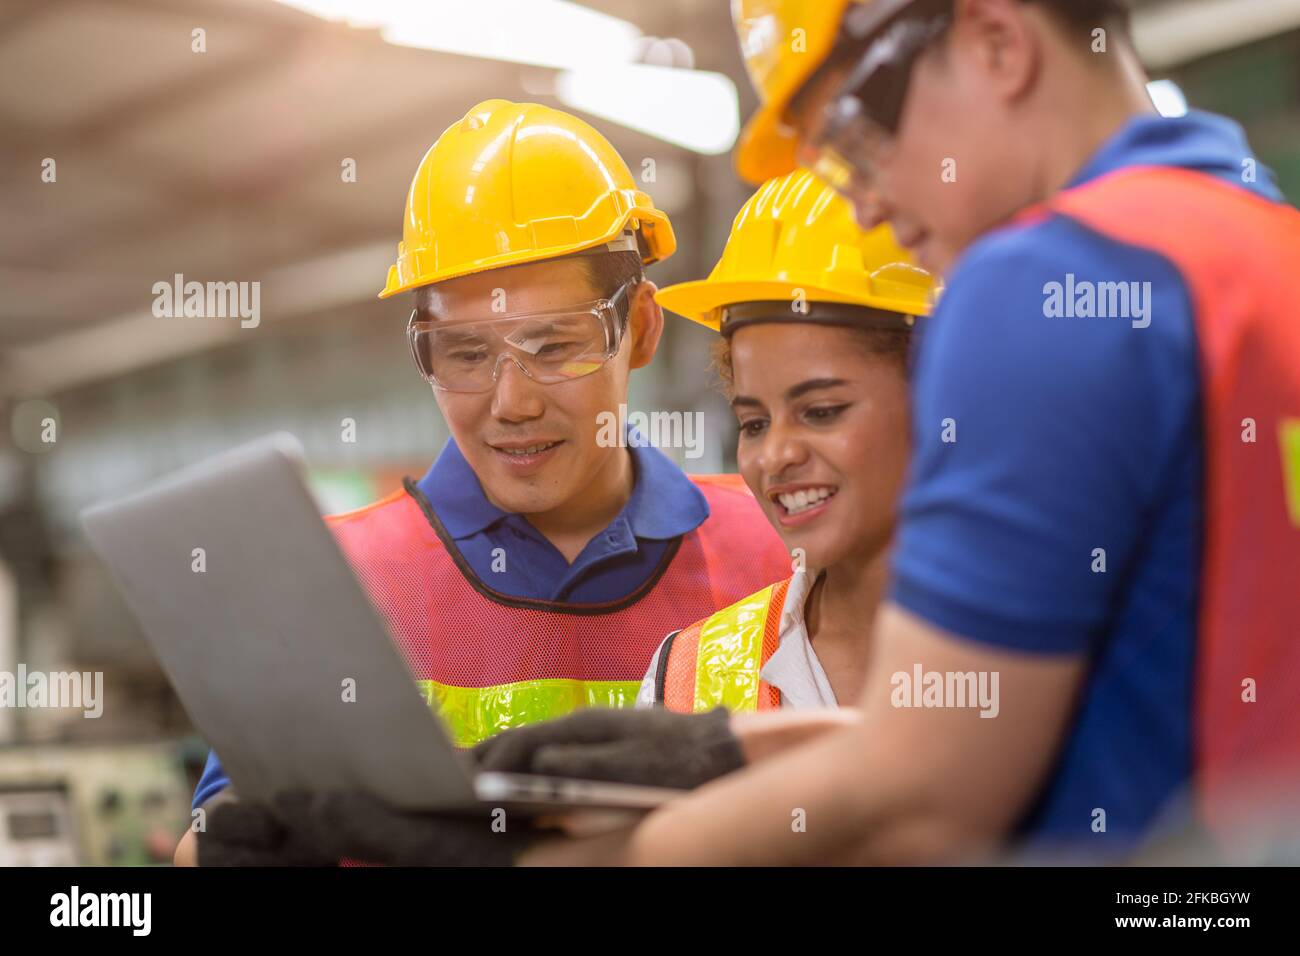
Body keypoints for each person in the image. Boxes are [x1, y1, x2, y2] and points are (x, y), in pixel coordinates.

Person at [472, 0, 1300, 865]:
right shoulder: (1265, 251)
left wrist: (607, 855)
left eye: (855, 138)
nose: (863, 204)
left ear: (996, 40)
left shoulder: (1042, 285)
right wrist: (741, 752)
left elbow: (930, 800)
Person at [180, 100, 791, 866]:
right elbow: (209, 849)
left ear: (639, 326)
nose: (512, 404)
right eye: (465, 355)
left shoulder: (778, 554)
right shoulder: (327, 584)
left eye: (552, 344)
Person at [636, 168, 934, 714]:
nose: (775, 456)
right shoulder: (685, 680)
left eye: (820, 412)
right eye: (753, 423)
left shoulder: (1058, 653)